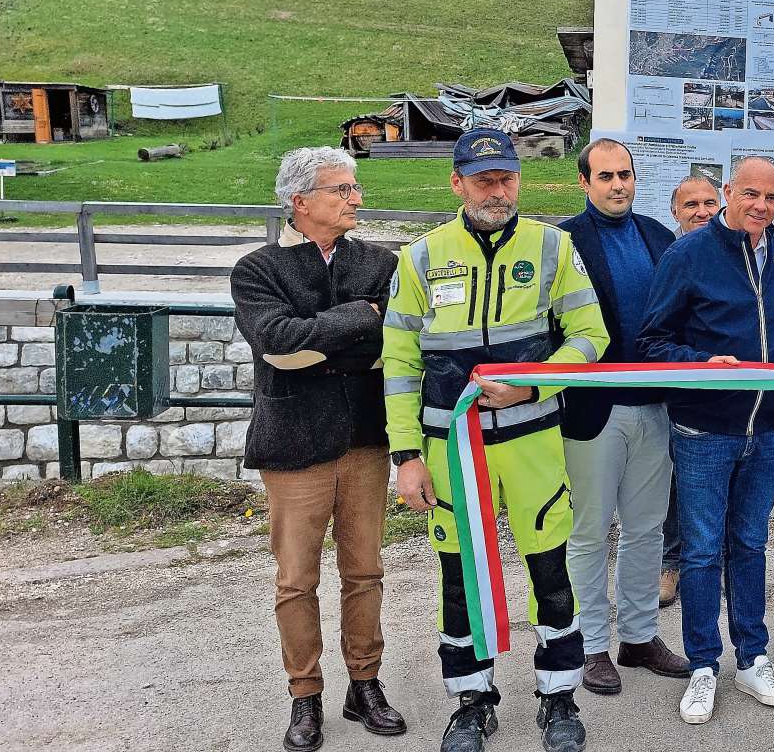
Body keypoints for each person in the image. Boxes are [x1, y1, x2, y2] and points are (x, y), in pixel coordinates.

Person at [382, 128, 611, 752]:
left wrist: (533, 387)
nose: (497, 190)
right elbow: (399, 363)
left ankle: (559, 698)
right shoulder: (421, 257)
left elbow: (591, 338)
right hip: (450, 447)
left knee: (551, 574)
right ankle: (472, 701)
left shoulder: (553, 246)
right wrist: (405, 456)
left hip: (533, 441)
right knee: (459, 580)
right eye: (483, 179)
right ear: (456, 184)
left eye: (506, 178)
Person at [232, 148, 404, 752]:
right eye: (342, 189)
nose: (356, 198)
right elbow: (277, 346)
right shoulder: (256, 269)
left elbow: (393, 344)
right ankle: (304, 697)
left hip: (365, 439)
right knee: (296, 580)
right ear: (300, 201)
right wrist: (361, 315)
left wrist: (323, 337)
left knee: (365, 572)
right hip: (292, 444)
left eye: (355, 187)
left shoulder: (383, 261)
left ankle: (365, 685)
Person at [638, 155, 774, 725]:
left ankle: (753, 658)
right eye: (751, 194)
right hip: (704, 429)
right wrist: (704, 362)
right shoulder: (689, 254)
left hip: (765, 429)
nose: (760, 206)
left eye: (772, 198)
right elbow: (653, 341)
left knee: (750, 545)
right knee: (703, 551)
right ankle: (704, 664)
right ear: (729, 190)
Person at [557, 139, 691, 696]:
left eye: (626, 175)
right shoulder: (563, 242)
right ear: (585, 183)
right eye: (606, 176)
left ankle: (638, 636)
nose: (619, 185)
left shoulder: (661, 238)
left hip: (654, 407)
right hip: (593, 411)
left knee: (646, 530)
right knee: (589, 532)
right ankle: (590, 645)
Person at [658, 173, 723, 606]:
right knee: (673, 485)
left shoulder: (737, 254)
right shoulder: (672, 256)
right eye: (691, 205)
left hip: (729, 398)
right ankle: (670, 564)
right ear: (675, 212)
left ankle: (713, 565)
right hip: (680, 389)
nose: (701, 212)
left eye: (709, 203)